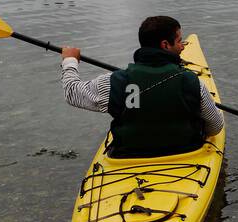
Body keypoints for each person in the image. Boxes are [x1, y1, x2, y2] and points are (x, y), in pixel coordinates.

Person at [60, 16, 223, 158]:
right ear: (165, 45)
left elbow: (72, 93)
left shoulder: (115, 82)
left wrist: (69, 60)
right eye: (180, 41)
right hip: (185, 152)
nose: (183, 46)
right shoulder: (190, 81)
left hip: (126, 156)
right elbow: (215, 127)